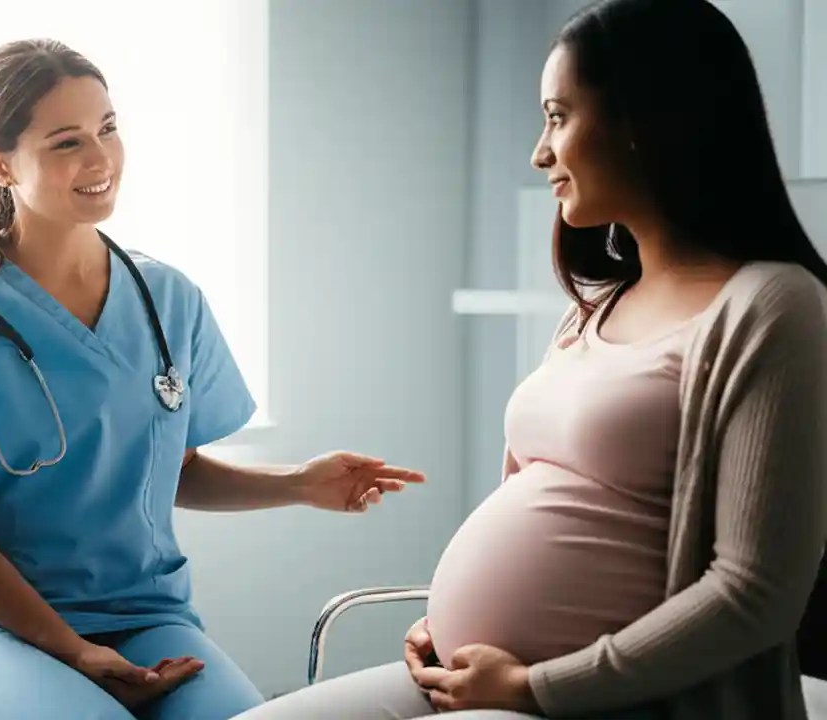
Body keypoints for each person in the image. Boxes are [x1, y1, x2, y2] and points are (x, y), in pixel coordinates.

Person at [236, 1, 827, 718]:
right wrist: (448, 622)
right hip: (475, 676)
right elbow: (534, 500)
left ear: (644, 120)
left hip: (596, 699)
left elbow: (754, 594)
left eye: (557, 117)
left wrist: (534, 686)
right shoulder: (596, 308)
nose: (539, 153)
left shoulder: (772, 304)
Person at [0, 38, 425, 720]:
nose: (100, 159)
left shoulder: (168, 300)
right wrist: (73, 651)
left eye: (108, 128)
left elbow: (171, 471)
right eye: (67, 142)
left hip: (140, 616)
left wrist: (299, 483)